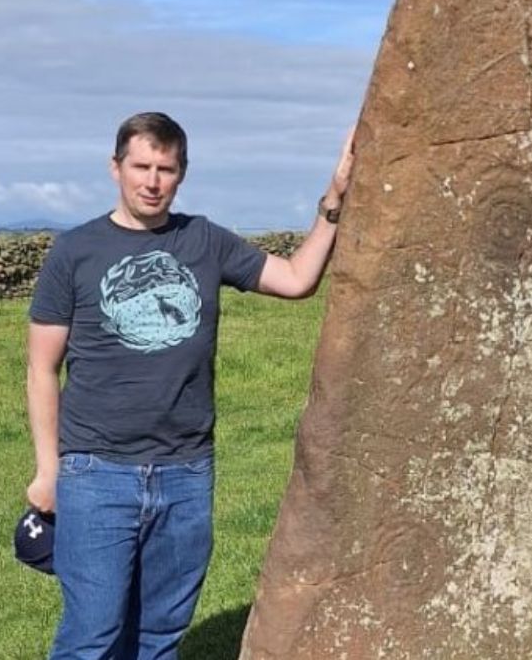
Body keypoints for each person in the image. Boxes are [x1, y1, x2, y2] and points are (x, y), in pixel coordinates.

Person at [24, 111, 353, 659]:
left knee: (158, 640)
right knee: (91, 639)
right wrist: (47, 470)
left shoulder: (204, 241)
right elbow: (41, 368)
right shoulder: (74, 252)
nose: (152, 181)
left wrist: (334, 198)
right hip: (96, 473)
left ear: (182, 174)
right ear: (116, 168)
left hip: (185, 474)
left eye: (166, 169)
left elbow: (296, 279)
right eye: (141, 166)